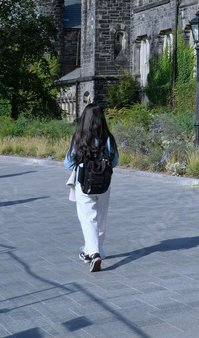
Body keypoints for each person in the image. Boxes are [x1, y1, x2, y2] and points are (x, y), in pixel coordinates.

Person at [65, 103, 118, 273]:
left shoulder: (79, 137)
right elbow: (115, 161)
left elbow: (68, 162)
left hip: (84, 182)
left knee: (88, 218)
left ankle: (94, 253)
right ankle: (93, 250)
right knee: (101, 218)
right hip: (104, 183)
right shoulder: (107, 138)